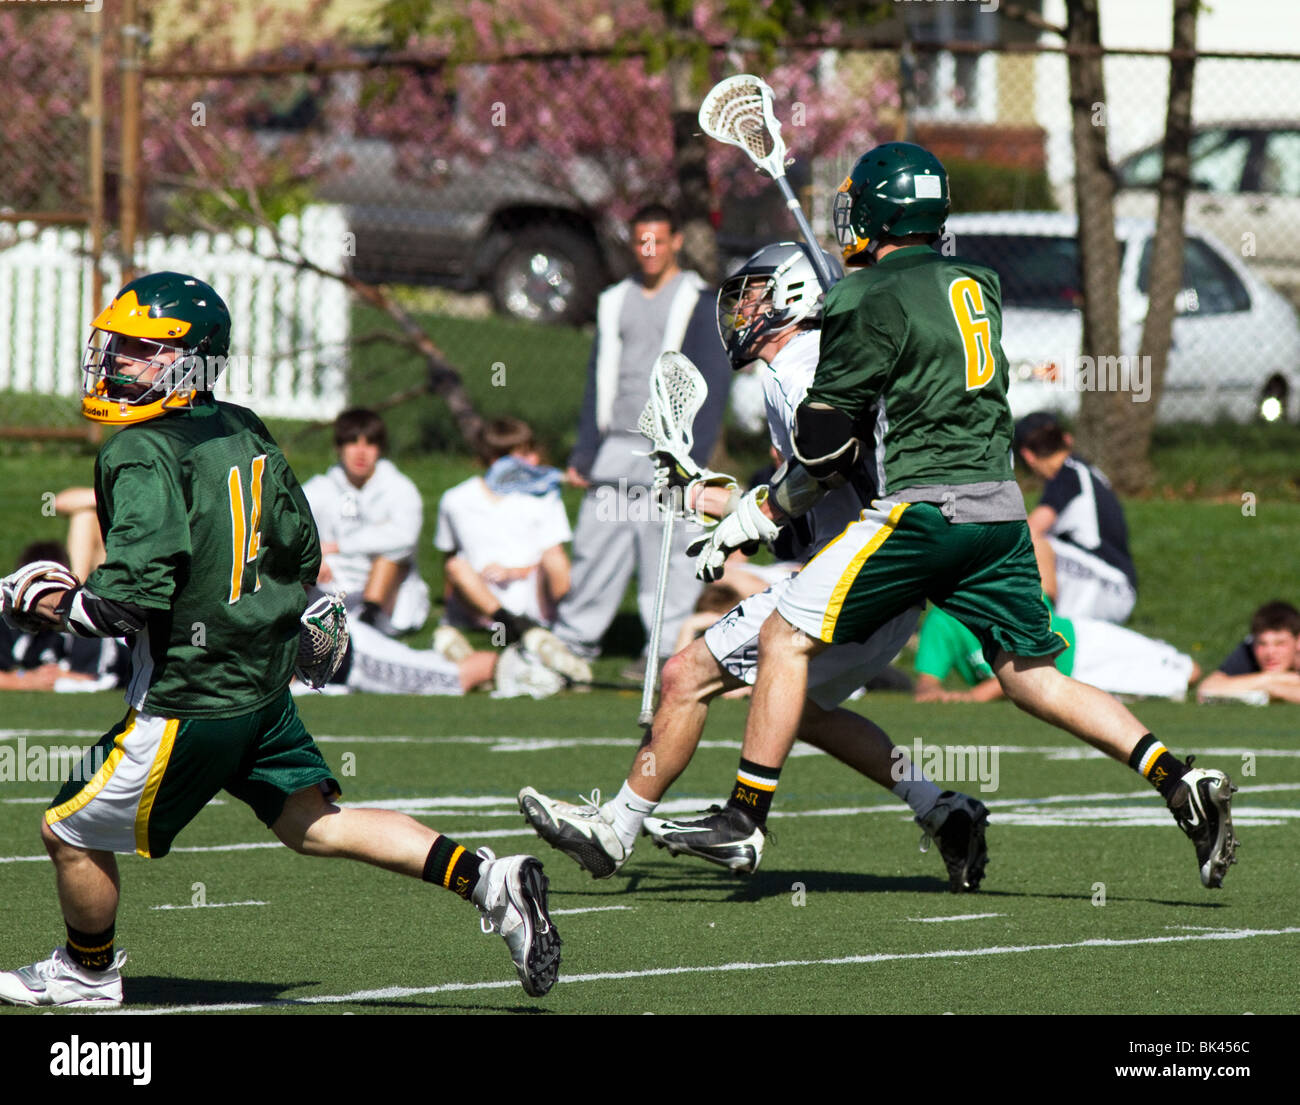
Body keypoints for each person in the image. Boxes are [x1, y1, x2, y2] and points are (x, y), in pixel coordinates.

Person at [655, 144, 1238, 892]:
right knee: (1032, 677)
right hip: (999, 511)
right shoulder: (979, 282)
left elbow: (826, 447)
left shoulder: (863, 297)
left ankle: (744, 817)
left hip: (924, 509)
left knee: (782, 634)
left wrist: (752, 509)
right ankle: (1175, 778)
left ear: (875, 215)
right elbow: (920, 337)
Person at [0, 272, 560, 1008]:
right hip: (263, 685)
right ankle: (488, 876)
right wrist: (296, 616)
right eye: (119, 346)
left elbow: (131, 599)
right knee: (315, 824)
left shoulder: (138, 451)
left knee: (69, 827)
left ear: (189, 360)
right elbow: (300, 544)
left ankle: (87, 971)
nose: (116, 361)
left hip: (192, 695)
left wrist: (47, 600)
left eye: (139, 350)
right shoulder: (242, 424)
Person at [519, 243, 987, 891]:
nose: (743, 308)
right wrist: (709, 495)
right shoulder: (805, 367)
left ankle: (625, 827)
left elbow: (827, 476)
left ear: (795, 297)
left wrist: (747, 512)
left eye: (758, 294)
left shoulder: (801, 368)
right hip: (880, 578)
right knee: (805, 709)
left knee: (685, 672)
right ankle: (942, 809)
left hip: (858, 575)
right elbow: (799, 510)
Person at [550, 203, 732, 678]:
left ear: (675, 242)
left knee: (667, 553)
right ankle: (573, 647)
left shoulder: (697, 300)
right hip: (616, 446)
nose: (649, 250)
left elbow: (711, 382)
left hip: (672, 451)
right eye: (640, 241)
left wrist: (688, 456)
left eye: (658, 240)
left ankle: (662, 652)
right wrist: (584, 451)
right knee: (596, 545)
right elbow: (598, 380)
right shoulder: (614, 300)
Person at [434, 416, 589, 683]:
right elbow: (449, 560)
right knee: (457, 565)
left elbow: (553, 558)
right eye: (520, 456)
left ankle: (566, 633)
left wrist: (516, 572)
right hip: (481, 604)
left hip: (532, 596)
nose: (532, 463)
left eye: (530, 453)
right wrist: (452, 615)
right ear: (495, 461)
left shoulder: (545, 496)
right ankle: (506, 630)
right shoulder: (456, 500)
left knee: (555, 558)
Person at [303, 408, 430, 635]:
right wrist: (313, 555)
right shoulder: (318, 488)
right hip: (332, 580)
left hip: (385, 587)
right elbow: (290, 529)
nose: (361, 453)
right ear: (339, 448)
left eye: (370, 444)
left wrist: (340, 546)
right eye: (352, 443)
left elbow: (405, 538)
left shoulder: (400, 489)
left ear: (379, 449)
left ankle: (369, 622)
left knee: (391, 557)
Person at [914, 604, 1198, 703]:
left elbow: (1027, 660)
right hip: (1066, 684)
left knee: (1188, 671)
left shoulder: (999, 587)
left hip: (1082, 643)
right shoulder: (941, 619)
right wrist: (933, 694)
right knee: (1167, 687)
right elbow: (927, 680)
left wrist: (975, 696)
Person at [1014, 411, 1138, 623]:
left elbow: (1031, 529)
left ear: (1027, 455)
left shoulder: (1067, 475)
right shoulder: (1087, 472)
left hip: (1107, 584)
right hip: (1114, 584)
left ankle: (1041, 627)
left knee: (1027, 543)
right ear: (1067, 439)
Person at [1197, 600, 1300, 704]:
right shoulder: (1248, 648)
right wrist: (1272, 681)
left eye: (1280, 643)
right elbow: (1207, 690)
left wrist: (1275, 689)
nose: (1270, 652)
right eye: (1262, 644)